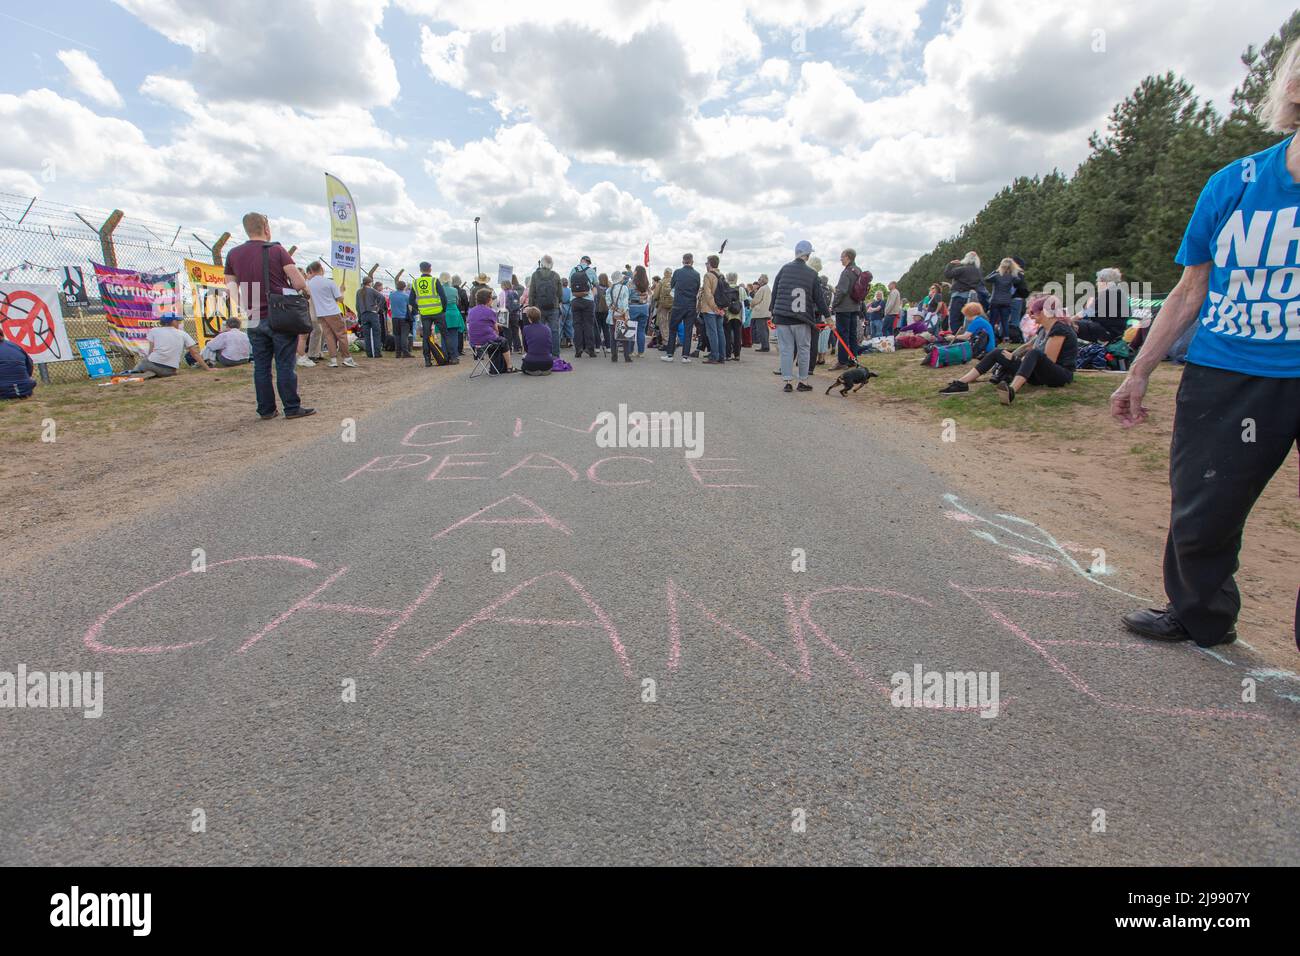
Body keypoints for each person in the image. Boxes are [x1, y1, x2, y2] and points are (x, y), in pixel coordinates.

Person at [1112, 41, 1300, 649]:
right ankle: (1199, 613)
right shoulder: (1235, 183)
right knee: (1204, 506)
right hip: (1228, 369)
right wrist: (1138, 370)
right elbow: (1189, 289)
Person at [223, 213, 314, 419]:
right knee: (284, 363)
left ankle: (265, 409)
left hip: (253, 313)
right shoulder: (276, 250)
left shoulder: (233, 254)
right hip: (278, 313)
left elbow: (231, 288)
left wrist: (246, 303)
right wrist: (303, 293)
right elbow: (298, 283)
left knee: (261, 366)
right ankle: (291, 407)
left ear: (246, 229)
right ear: (266, 228)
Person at [938, 295, 1077, 401]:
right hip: (1040, 373)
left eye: (1033, 312)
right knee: (999, 352)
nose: (1030, 316)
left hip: (1059, 375)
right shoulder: (1043, 329)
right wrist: (1011, 357)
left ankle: (1011, 391)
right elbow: (1027, 346)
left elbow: (1049, 360)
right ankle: (962, 383)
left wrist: (1017, 359)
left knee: (1033, 353)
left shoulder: (1060, 330)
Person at [770, 240, 827, 392]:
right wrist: (828, 317)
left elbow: (775, 292)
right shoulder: (812, 274)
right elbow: (819, 299)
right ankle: (803, 381)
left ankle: (787, 381)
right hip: (802, 318)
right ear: (807, 255)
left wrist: (772, 312)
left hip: (782, 316)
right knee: (803, 349)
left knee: (786, 350)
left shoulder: (784, 269)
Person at [305, 262, 357, 368]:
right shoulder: (329, 282)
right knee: (341, 335)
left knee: (329, 336)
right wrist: (342, 291)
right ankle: (347, 358)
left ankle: (333, 360)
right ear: (321, 269)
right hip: (332, 312)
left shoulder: (309, 283)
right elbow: (340, 299)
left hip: (320, 313)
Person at [124, 312, 208, 378]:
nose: (178, 323)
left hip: (150, 364)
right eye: (177, 321)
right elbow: (195, 353)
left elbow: (150, 351)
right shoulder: (183, 334)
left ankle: (134, 373)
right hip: (169, 371)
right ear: (173, 322)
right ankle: (152, 373)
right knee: (156, 367)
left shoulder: (154, 330)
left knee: (144, 363)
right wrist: (207, 368)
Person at [466, 287, 515, 373]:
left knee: (494, 340)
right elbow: (496, 330)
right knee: (503, 341)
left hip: (473, 342)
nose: (492, 300)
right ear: (488, 300)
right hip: (486, 341)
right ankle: (509, 366)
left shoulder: (471, 311)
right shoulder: (490, 311)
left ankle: (496, 366)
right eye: (492, 298)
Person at [1077, 267, 1131, 343]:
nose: (1096, 283)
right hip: (1114, 332)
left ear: (1103, 281)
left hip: (1107, 333)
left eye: (1098, 281)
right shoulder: (1118, 292)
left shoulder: (1109, 293)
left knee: (1069, 326)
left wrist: (1070, 320)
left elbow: (1087, 313)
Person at [663, 253, 700, 363]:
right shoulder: (697, 274)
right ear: (692, 261)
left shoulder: (678, 272)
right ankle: (685, 356)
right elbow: (697, 288)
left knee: (673, 329)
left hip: (678, 304)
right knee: (688, 331)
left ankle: (670, 354)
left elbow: (673, 285)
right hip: (691, 305)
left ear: (683, 261)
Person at [411, 264, 449, 367]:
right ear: (430, 269)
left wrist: (419, 309)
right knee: (445, 334)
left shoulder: (415, 282)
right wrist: (443, 309)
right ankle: (451, 357)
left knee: (426, 337)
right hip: (437, 312)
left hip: (425, 314)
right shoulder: (434, 281)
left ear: (420, 270)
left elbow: (411, 300)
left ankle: (427, 360)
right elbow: (443, 297)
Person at [831, 249, 863, 368]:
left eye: (842, 256)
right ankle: (853, 358)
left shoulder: (846, 272)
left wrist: (834, 304)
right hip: (855, 306)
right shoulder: (858, 270)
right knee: (852, 335)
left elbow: (841, 291)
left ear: (848, 257)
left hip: (844, 308)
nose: (841, 259)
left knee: (843, 335)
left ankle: (842, 361)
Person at [986, 258, 1030, 342]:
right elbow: (1019, 282)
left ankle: (991, 336)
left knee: (993, 320)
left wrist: (996, 271)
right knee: (1006, 321)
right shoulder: (1013, 276)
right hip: (1007, 300)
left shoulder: (997, 275)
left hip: (995, 300)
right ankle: (1007, 337)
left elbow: (987, 278)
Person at [528, 255, 564, 357]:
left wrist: (531, 307)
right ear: (551, 264)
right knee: (554, 331)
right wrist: (559, 302)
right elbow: (560, 294)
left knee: (539, 331)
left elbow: (532, 292)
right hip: (553, 307)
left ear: (542, 263)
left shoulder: (535, 275)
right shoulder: (556, 275)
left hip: (539, 308)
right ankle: (556, 355)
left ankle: (541, 353)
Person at [943, 252, 986, 333]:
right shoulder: (978, 271)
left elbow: (948, 274)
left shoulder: (962, 269)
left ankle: (956, 337)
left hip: (958, 296)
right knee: (967, 318)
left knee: (955, 318)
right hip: (971, 298)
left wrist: (950, 264)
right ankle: (966, 336)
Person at [697, 255, 725, 365]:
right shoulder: (721, 275)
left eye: (706, 263)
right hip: (720, 307)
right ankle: (721, 356)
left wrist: (715, 308)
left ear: (709, 264)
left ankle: (714, 356)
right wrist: (720, 308)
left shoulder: (708, 275)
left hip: (710, 308)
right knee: (720, 332)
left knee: (712, 333)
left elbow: (708, 294)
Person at [569, 256, 599, 357]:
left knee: (577, 325)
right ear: (588, 262)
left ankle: (578, 349)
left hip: (575, 300)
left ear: (581, 261)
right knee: (588, 325)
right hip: (588, 300)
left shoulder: (573, 269)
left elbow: (570, 284)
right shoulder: (591, 270)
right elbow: (595, 284)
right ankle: (590, 349)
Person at [0, 327, 37, 399]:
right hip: (25, 390)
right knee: (32, 380)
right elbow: (30, 365)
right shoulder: (15, 346)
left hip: (2, 392)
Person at [606, 270, 634, 363]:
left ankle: (614, 357)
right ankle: (627, 357)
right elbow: (625, 303)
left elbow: (609, 304)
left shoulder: (609, 290)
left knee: (613, 337)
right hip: (622, 316)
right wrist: (625, 314)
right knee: (625, 337)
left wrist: (615, 310)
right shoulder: (624, 288)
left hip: (612, 317)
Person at [439, 272, 466, 362]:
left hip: (444, 313)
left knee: (444, 335)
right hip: (454, 313)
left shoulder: (439, 290)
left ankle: (445, 355)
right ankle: (454, 355)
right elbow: (457, 302)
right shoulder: (454, 290)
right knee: (454, 335)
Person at [519, 307, 554, 375]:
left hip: (532, 363)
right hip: (547, 362)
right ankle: (544, 370)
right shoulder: (547, 329)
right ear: (540, 317)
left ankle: (534, 371)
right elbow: (550, 347)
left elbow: (526, 347)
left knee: (524, 366)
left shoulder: (526, 329)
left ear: (529, 318)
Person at [356, 276, 384, 358]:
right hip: (373, 313)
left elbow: (357, 306)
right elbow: (382, 298)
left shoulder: (358, 292)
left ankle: (369, 353)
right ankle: (377, 353)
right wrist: (378, 307)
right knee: (376, 333)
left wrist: (359, 316)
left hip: (364, 314)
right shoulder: (372, 290)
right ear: (370, 283)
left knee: (366, 335)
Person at [629, 265, 651, 356]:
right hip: (644, 308)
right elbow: (650, 294)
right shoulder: (647, 283)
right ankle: (641, 352)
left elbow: (627, 295)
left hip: (633, 307)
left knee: (631, 330)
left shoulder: (631, 283)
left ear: (636, 272)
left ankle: (631, 351)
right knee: (641, 331)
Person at [723, 271, 744, 361]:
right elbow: (743, 302)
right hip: (738, 315)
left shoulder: (725, 288)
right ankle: (737, 355)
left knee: (727, 335)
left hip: (728, 315)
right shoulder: (741, 289)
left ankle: (727, 355)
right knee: (737, 335)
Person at [749, 274, 771, 352]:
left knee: (761, 330)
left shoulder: (762, 289)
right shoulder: (768, 288)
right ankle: (766, 345)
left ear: (762, 281)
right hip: (766, 312)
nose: (758, 281)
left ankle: (764, 346)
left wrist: (751, 304)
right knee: (765, 330)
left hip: (760, 313)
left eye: (759, 279)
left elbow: (755, 300)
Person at [654, 266, 675, 348]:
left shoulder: (661, 282)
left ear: (664, 273)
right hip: (673, 305)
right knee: (672, 324)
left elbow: (655, 295)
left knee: (663, 324)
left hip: (662, 305)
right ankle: (673, 341)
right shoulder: (674, 281)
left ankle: (666, 342)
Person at [501, 280, 523, 353]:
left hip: (505, 313)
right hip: (515, 314)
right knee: (515, 331)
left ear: (504, 285)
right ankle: (518, 348)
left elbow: (500, 304)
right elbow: (518, 303)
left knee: (507, 332)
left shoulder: (502, 293)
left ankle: (509, 348)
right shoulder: (515, 292)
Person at [595, 273, 611, 352]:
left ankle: (597, 347)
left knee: (597, 329)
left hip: (597, 310)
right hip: (607, 311)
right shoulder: (609, 288)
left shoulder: (596, 287)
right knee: (606, 330)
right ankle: (608, 347)